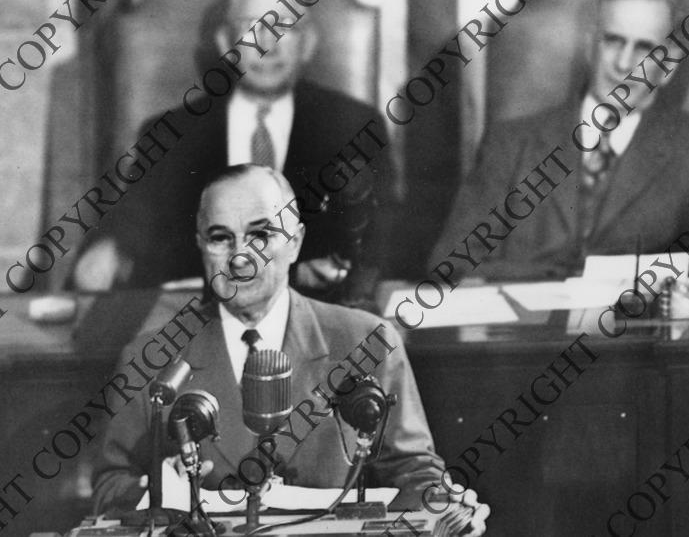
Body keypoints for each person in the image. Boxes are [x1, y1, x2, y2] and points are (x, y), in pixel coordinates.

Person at [92, 165, 489, 534]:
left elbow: (416, 473)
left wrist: (446, 511)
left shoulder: (366, 342)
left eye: (260, 235)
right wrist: (160, 490)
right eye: (220, 238)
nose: (240, 257)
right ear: (201, 246)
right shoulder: (150, 358)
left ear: (295, 242)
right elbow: (111, 487)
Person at [73, 0, 393, 305]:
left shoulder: (353, 127)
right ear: (226, 43)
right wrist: (107, 249)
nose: (268, 45)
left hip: (314, 319)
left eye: (284, 26)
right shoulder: (170, 134)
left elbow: (379, 235)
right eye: (252, 27)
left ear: (308, 44)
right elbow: (131, 225)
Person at [429, 0, 689, 280]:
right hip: (526, 328)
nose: (623, 63)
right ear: (591, 48)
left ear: (668, 67)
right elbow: (452, 264)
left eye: (643, 48)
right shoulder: (511, 143)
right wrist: (560, 278)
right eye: (613, 41)